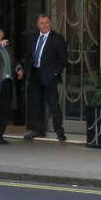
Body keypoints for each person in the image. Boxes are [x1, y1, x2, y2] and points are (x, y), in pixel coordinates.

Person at [22, 13, 67, 141]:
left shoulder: (57, 38)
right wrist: (23, 71)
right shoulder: (32, 37)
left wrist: (55, 73)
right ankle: (38, 130)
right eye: (42, 23)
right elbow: (28, 56)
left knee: (53, 105)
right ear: (38, 24)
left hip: (50, 76)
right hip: (35, 74)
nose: (44, 25)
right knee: (35, 104)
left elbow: (63, 59)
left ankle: (59, 132)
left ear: (50, 23)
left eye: (46, 22)